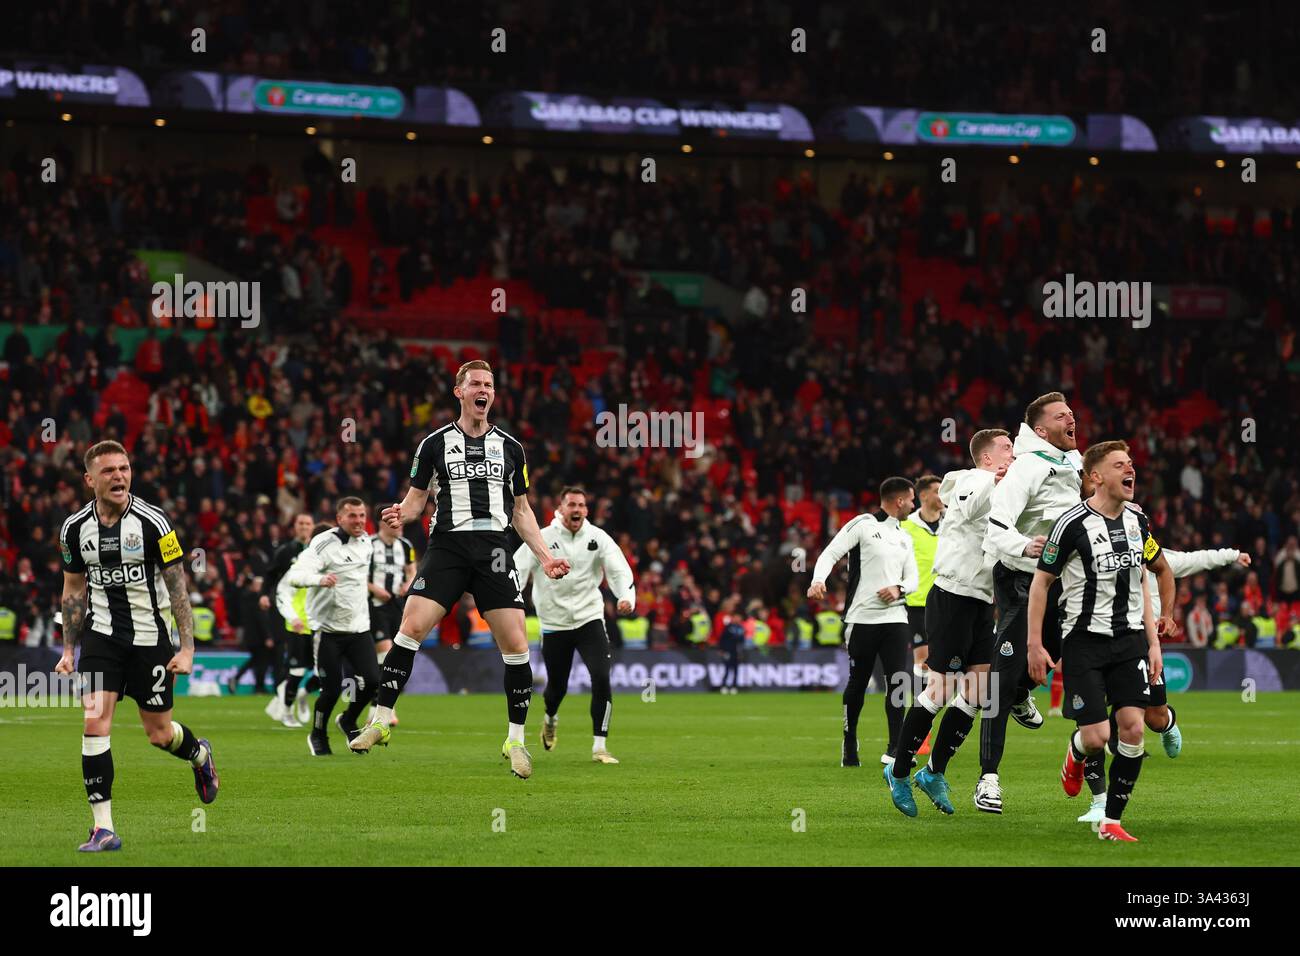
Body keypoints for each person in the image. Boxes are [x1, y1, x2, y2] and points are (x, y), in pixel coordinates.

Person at [349, 361, 571, 780]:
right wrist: (402, 514)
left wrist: (543, 556)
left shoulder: (511, 448)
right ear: (459, 392)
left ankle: (515, 740)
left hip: (494, 549)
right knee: (411, 627)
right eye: (475, 384)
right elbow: (417, 501)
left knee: (516, 642)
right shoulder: (433, 444)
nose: (483, 389)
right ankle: (380, 720)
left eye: (489, 384)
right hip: (448, 544)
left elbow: (522, 512)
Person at [55, 440, 219, 852]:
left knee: (159, 734)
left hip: (150, 641)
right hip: (101, 638)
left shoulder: (154, 522)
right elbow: (73, 591)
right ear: (89, 479)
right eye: (109, 471)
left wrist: (187, 649)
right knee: (95, 724)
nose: (120, 476)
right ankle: (103, 829)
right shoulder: (74, 529)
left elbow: (177, 586)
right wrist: (69, 650)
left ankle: (199, 756)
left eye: (124, 468)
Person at [1029, 440, 1174, 842]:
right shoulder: (1070, 524)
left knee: (1132, 728)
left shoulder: (1138, 523)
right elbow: (1042, 583)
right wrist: (1034, 645)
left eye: (1131, 464)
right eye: (1119, 465)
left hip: (1129, 640)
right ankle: (1077, 750)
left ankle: (1111, 821)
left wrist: (1154, 643)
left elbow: (1146, 580)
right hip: (1083, 642)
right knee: (1097, 737)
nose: (1131, 470)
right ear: (1095, 477)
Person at [1074, 543, 1249, 826]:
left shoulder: (1155, 556)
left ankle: (1167, 722)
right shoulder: (1096, 550)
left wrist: (1231, 555)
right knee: (1092, 722)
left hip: (1141, 647)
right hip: (1099, 642)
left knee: (1153, 718)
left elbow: (1197, 558)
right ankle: (1099, 802)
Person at [886, 429, 1013, 816]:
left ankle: (933, 771)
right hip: (952, 596)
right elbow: (973, 506)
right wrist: (997, 479)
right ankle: (900, 770)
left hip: (979, 601)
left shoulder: (1004, 490)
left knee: (977, 692)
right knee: (940, 690)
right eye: (1007, 448)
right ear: (987, 457)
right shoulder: (970, 480)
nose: (1013, 453)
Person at [975, 392, 1081, 814]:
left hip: (1060, 581)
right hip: (1021, 578)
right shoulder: (1028, 468)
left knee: (1048, 657)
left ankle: (1022, 691)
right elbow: (995, 528)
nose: (1071, 418)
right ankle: (988, 779)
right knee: (1000, 678)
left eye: (1071, 412)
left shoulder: (1070, 465)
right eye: (1061, 416)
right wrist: (1026, 545)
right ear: (1040, 431)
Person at [515, 486, 634, 763]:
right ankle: (551, 718)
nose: (577, 509)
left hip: (589, 619)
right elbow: (517, 568)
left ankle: (600, 747)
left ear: (587, 510)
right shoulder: (542, 537)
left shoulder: (597, 537)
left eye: (581, 505)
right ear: (561, 508)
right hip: (554, 624)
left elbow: (618, 567)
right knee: (557, 687)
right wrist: (511, 600)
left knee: (602, 677)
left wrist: (625, 596)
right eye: (572, 505)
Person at [809, 477, 919, 770]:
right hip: (861, 619)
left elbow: (913, 580)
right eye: (910, 499)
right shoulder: (863, 525)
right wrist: (818, 579)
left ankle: (896, 748)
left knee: (898, 682)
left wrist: (899, 589)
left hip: (895, 618)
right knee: (857, 683)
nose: (913, 504)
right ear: (898, 500)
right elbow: (830, 552)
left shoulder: (904, 536)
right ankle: (849, 740)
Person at [285, 498, 377, 756]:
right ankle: (317, 733)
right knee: (332, 689)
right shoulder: (323, 543)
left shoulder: (366, 542)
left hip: (359, 628)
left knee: (372, 682)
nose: (359, 521)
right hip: (328, 632)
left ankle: (348, 720)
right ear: (339, 519)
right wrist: (319, 579)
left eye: (362, 515)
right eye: (352, 516)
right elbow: (295, 576)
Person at [900, 474, 942, 752]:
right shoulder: (906, 526)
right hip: (916, 602)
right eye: (938, 491)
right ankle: (921, 731)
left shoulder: (953, 520)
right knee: (923, 662)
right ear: (924, 495)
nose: (943, 496)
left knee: (945, 665)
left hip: (947, 599)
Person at [263, 513, 317, 726]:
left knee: (324, 672)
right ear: (295, 527)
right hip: (293, 616)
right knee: (295, 668)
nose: (304, 527)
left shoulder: (318, 553)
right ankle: (285, 708)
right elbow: (273, 577)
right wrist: (265, 596)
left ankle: (302, 694)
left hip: (318, 620)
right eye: (301, 523)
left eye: (308, 523)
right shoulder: (286, 552)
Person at [367, 508, 416, 726]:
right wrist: (374, 589)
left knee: (392, 656)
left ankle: (375, 711)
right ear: (383, 523)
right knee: (386, 654)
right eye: (395, 522)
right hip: (374, 605)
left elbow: (412, 570)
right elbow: (357, 574)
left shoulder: (405, 546)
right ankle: (386, 709)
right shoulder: (368, 545)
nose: (400, 526)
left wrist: (408, 584)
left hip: (398, 605)